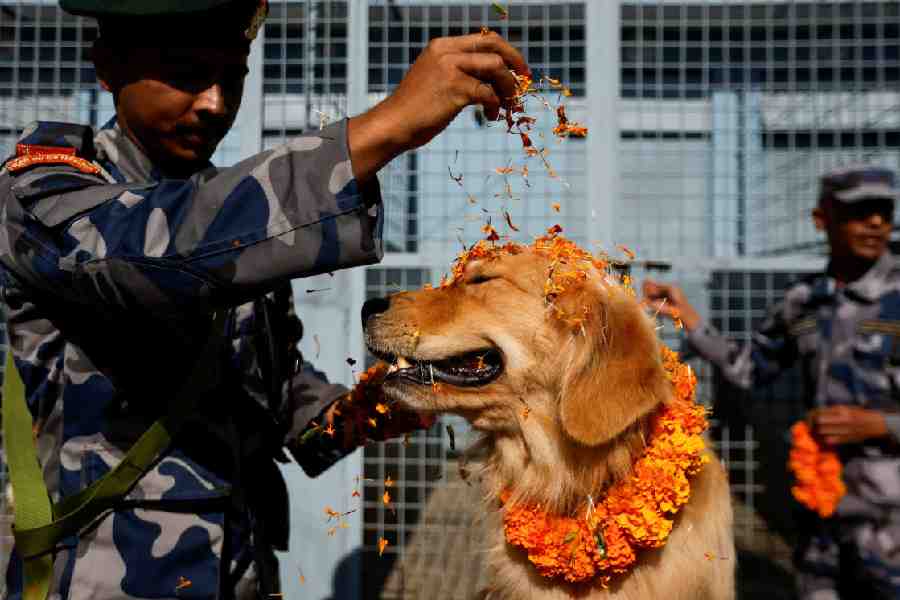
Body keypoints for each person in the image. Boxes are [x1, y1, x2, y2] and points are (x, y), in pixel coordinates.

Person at [0, 1, 530, 598]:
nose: (214, 103)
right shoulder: (43, 190)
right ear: (108, 65)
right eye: (186, 72)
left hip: (241, 570)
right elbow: (152, 251)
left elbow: (272, 398)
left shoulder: (236, 218)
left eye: (232, 75)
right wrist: (385, 126)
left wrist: (367, 410)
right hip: (107, 577)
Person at [644, 165, 900, 600]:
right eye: (859, 212)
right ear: (823, 219)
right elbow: (750, 367)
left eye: (883, 211)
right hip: (821, 511)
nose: (875, 222)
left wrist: (883, 424)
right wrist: (688, 318)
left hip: (891, 516)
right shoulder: (803, 300)